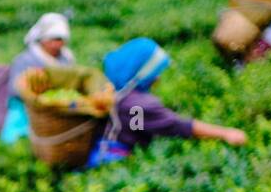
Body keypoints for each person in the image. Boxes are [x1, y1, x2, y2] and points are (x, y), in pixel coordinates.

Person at [86, 37, 247, 167]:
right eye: (154, 72)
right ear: (142, 72)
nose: (158, 78)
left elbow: (139, 126)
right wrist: (225, 133)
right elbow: (177, 125)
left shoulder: (112, 91)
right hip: (111, 162)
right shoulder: (136, 105)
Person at [0, 12, 76, 144]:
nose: (56, 45)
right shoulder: (26, 59)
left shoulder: (66, 59)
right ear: (43, 39)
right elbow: (14, 88)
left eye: (60, 40)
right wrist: (37, 96)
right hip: (25, 106)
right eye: (53, 40)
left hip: (57, 107)